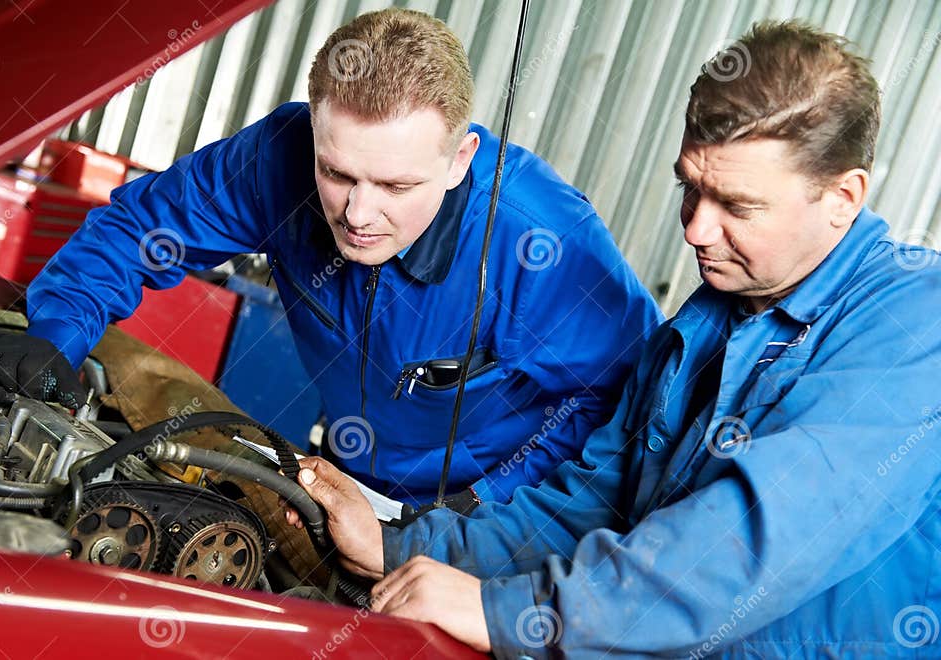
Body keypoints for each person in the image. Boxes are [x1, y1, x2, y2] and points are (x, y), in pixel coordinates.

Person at [286, 20, 941, 656]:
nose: (695, 231)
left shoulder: (915, 326)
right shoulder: (707, 323)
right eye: (691, 188)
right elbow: (591, 502)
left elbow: (746, 544)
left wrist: (513, 613)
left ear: (843, 196)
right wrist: (404, 547)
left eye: (737, 206)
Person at [0, 8, 660, 508]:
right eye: (338, 173)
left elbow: (626, 403)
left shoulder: (541, 244)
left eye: (395, 186)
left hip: (491, 517)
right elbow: (134, 231)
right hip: (351, 483)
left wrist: (482, 509)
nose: (358, 215)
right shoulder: (280, 160)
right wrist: (56, 335)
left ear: (460, 160)